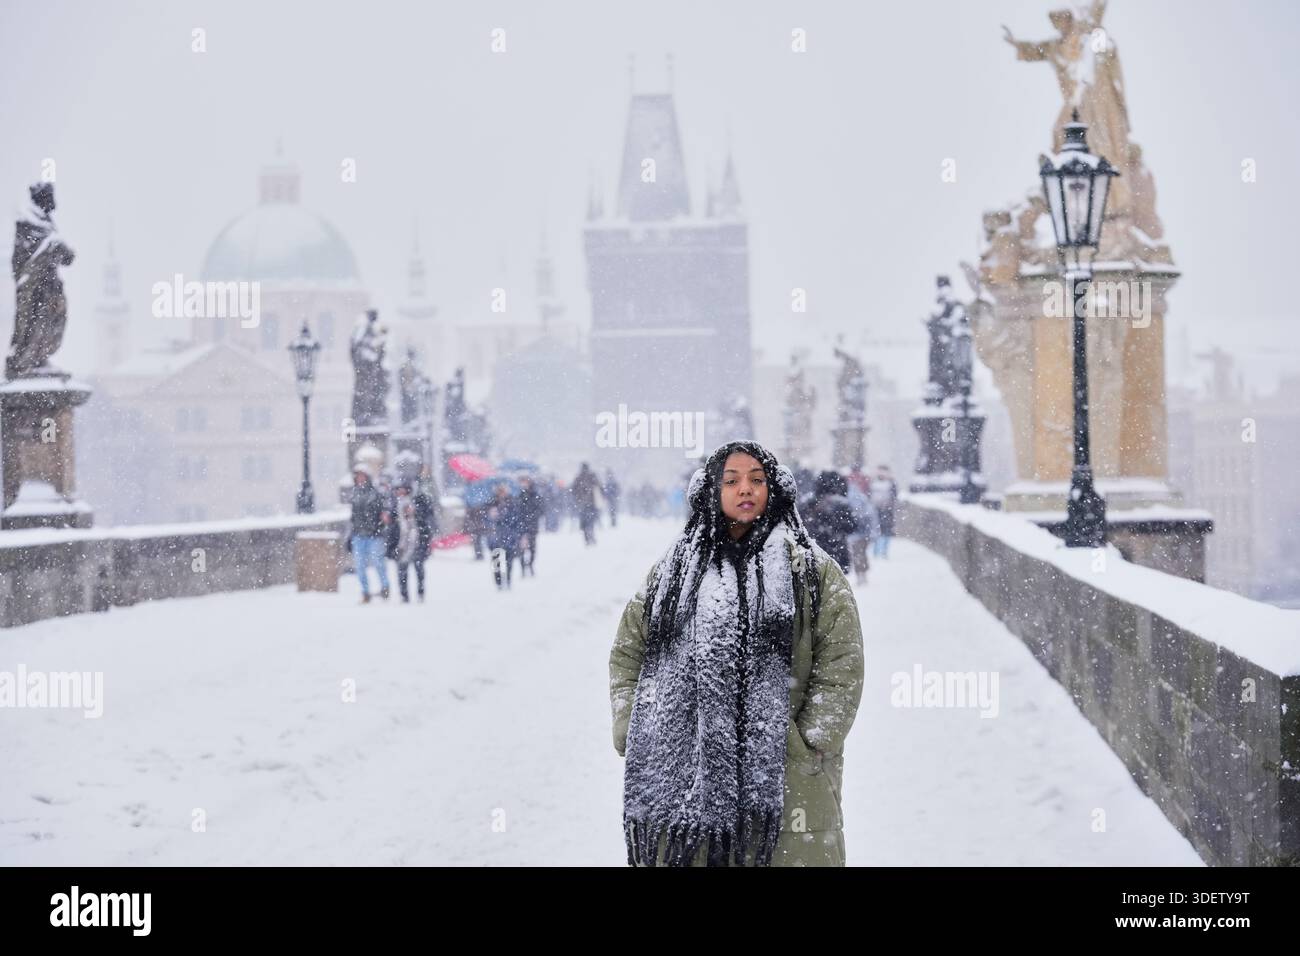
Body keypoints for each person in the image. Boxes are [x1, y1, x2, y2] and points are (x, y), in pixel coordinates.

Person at [609, 440, 865, 867]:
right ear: (712, 491)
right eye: (731, 481)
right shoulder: (671, 573)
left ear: (774, 489)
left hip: (785, 772)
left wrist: (808, 742)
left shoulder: (812, 571)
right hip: (684, 769)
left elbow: (842, 661)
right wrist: (632, 722)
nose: (745, 489)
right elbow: (629, 649)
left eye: (756, 480)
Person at [348, 464, 391, 603]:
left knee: (378, 562)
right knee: (360, 566)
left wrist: (382, 520)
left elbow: (384, 510)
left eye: (362, 475)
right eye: (358, 476)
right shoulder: (354, 493)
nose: (360, 478)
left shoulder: (375, 493)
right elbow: (353, 515)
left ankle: (385, 587)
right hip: (358, 535)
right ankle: (365, 592)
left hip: (374, 534)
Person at [806, 470, 857, 574]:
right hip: (838, 550)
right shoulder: (843, 504)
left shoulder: (810, 503)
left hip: (815, 550)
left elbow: (805, 526)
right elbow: (852, 527)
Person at [486, 483, 524, 590]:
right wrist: (491, 516)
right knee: (496, 561)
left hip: (509, 536)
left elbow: (516, 519)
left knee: (509, 560)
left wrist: (503, 515)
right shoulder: (491, 503)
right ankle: (498, 581)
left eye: (503, 491)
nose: (501, 493)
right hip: (495, 537)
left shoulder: (512, 503)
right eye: (499, 491)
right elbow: (485, 520)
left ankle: (507, 579)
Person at [845, 478, 880, 586]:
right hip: (864, 533)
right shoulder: (863, 499)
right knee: (861, 554)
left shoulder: (848, 499)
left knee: (857, 554)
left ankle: (861, 575)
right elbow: (872, 515)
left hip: (856, 533)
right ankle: (862, 574)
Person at [516, 475, 544, 576]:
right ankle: (523, 567)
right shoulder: (519, 496)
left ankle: (530, 565)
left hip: (532, 525)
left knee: (532, 548)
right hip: (521, 526)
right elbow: (516, 510)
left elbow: (540, 509)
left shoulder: (535, 495)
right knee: (521, 548)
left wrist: (531, 516)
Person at [870, 465, 899, 559]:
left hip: (887, 511)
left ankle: (884, 552)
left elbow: (894, 496)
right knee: (876, 531)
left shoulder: (891, 483)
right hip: (875, 510)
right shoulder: (873, 482)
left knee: (886, 531)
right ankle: (876, 551)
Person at [572, 463, 601, 545]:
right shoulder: (592, 476)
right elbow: (599, 486)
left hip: (582, 504)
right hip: (591, 503)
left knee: (584, 521)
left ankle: (587, 537)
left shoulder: (578, 477)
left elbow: (573, 490)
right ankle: (590, 534)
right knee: (591, 520)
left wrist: (578, 498)